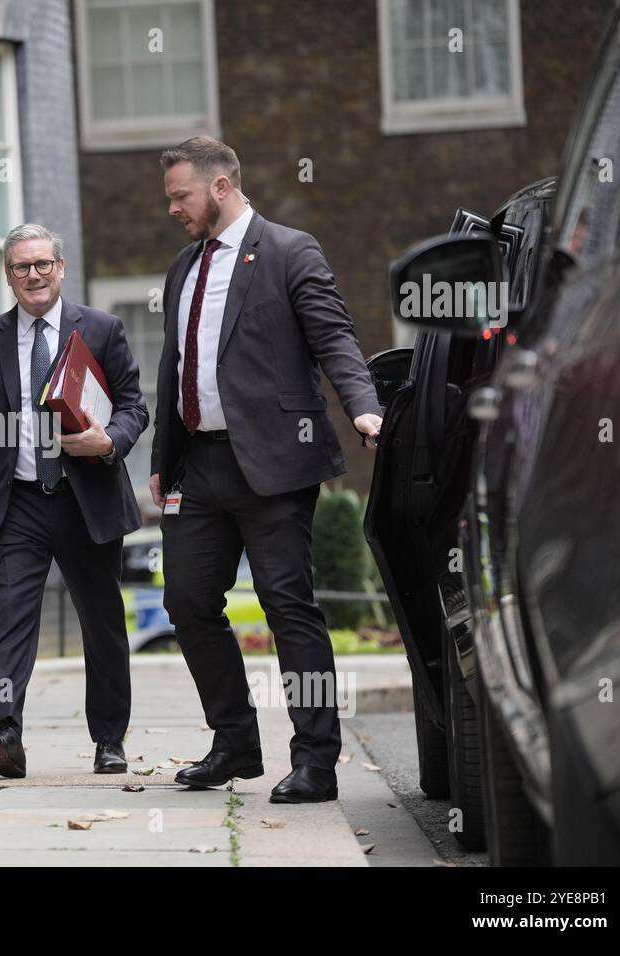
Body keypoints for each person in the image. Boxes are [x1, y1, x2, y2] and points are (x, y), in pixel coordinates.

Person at [150, 137, 383, 803]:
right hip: (199, 465)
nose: (173, 208)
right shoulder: (182, 268)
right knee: (189, 602)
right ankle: (234, 743)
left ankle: (315, 761)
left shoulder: (288, 251)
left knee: (289, 607)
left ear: (220, 187)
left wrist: (364, 408)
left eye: (180, 195)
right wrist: (164, 461)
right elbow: (176, 370)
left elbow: (334, 336)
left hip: (275, 464)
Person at [0, 223, 149, 778]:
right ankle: (4, 730)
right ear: (8, 277)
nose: (32, 275)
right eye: (20, 267)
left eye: (42, 264)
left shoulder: (102, 329)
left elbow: (134, 406)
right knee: (11, 617)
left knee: (101, 622)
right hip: (19, 504)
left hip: (87, 499)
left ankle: (109, 739)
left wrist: (110, 441)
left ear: (60, 268)